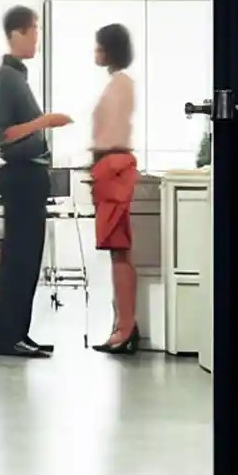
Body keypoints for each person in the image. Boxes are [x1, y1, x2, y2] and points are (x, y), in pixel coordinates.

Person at [0, 6, 73, 358]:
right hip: (21, 179)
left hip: (29, 179)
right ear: (16, 34)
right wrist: (45, 122)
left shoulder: (17, 78)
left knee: (27, 260)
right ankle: (8, 338)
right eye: (34, 30)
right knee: (19, 261)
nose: (38, 36)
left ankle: (17, 333)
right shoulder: (5, 79)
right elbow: (4, 136)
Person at [88, 23, 141, 354]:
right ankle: (122, 324)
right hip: (110, 167)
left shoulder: (120, 85)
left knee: (119, 249)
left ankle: (125, 328)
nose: (95, 52)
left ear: (109, 49)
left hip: (114, 167)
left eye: (98, 47)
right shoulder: (118, 83)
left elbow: (111, 134)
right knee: (116, 250)